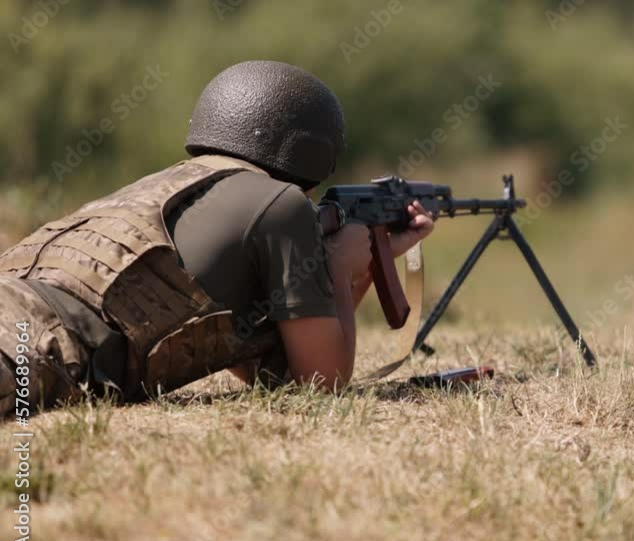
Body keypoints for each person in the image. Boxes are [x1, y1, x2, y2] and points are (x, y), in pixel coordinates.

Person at [0, 60, 433, 416]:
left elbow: (267, 370)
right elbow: (321, 382)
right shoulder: (281, 204)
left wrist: (357, 264)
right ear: (314, 150)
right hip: (35, 344)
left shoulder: (162, 186)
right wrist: (340, 269)